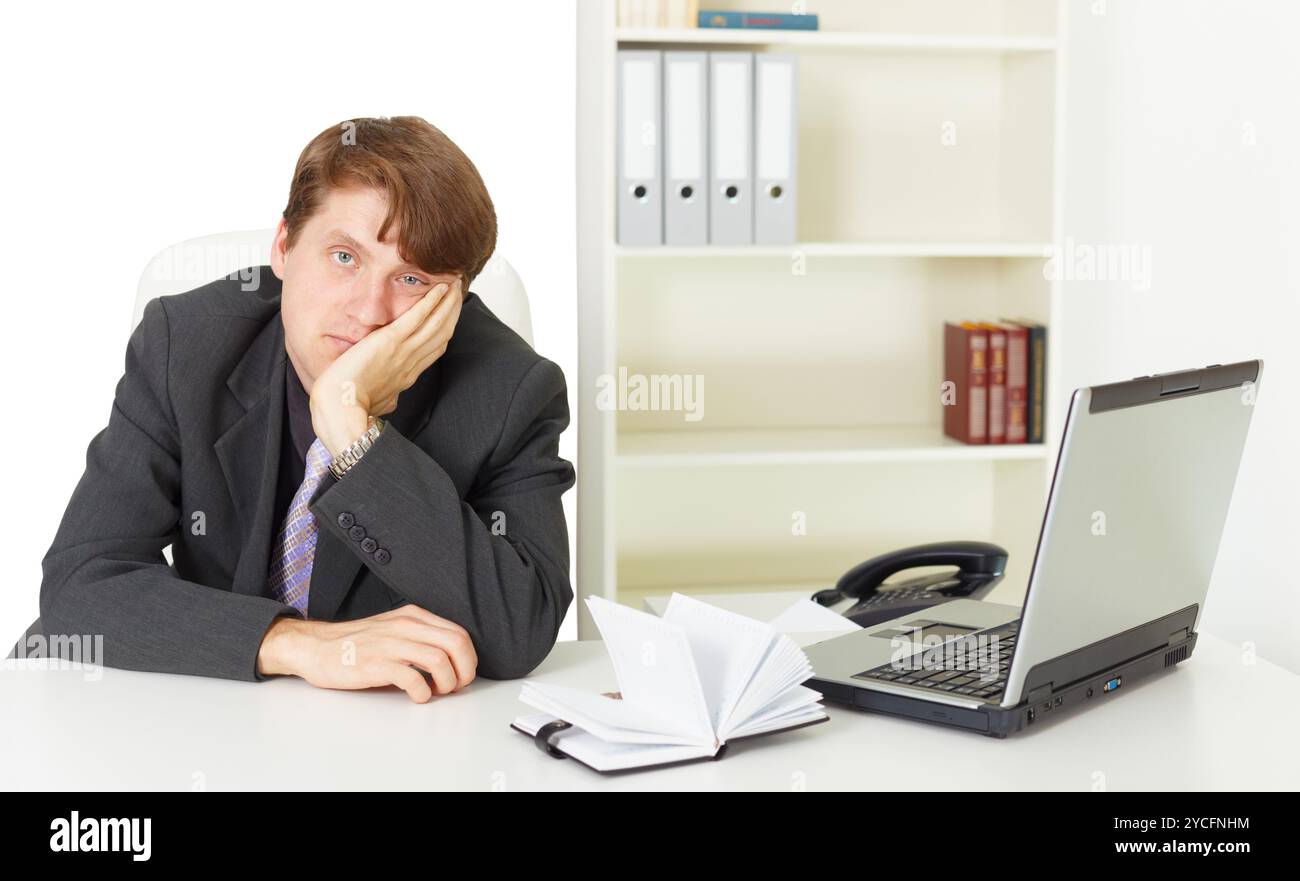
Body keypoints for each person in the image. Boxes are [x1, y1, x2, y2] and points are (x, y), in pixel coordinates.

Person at [34, 116, 575, 703]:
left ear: (456, 304)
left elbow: (520, 628)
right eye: (344, 257)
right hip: (204, 714)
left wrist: (354, 432)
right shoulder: (184, 344)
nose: (369, 311)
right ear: (284, 246)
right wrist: (300, 645)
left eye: (412, 279)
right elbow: (81, 582)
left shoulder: (512, 389)